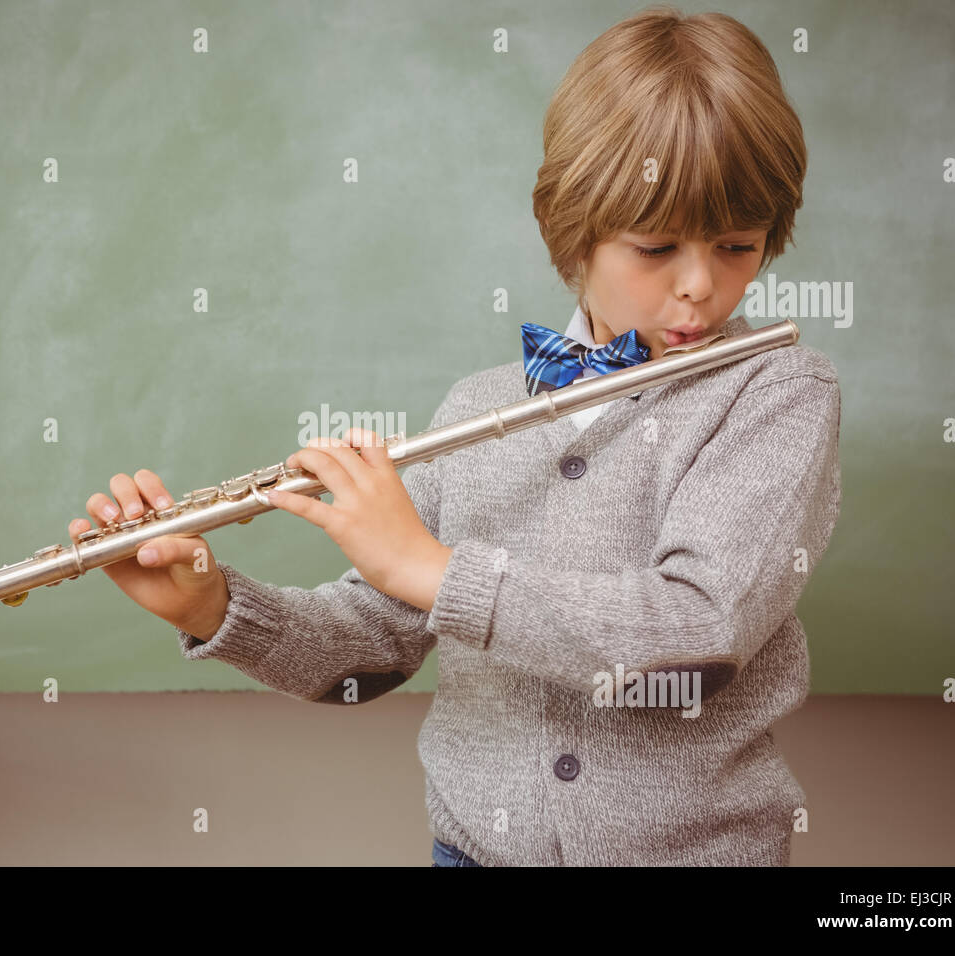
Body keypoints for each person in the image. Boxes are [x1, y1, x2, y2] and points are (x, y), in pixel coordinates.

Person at [67, 5, 841, 866]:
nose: (700, 286)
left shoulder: (777, 394)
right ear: (573, 228)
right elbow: (373, 649)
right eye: (656, 247)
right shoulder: (479, 407)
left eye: (738, 245)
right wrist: (215, 604)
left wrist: (435, 569)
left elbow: (699, 633)